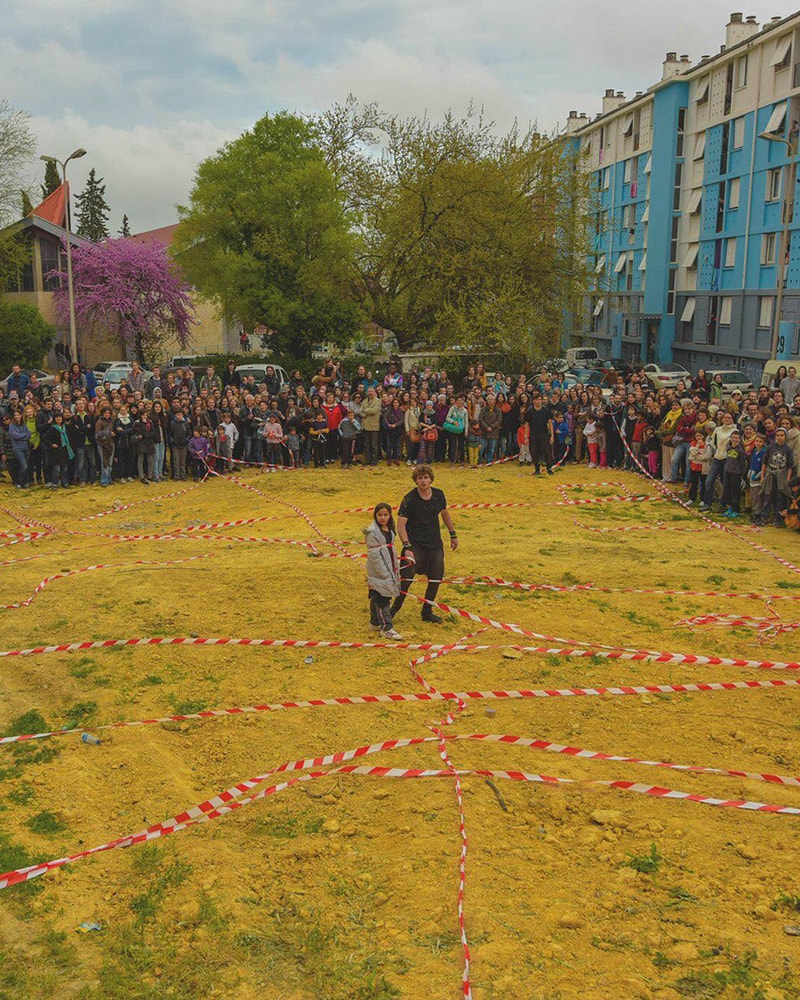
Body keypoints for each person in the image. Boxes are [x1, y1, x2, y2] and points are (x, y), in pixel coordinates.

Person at [391, 465, 459, 625]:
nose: (423, 481)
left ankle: (427, 611)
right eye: (420, 478)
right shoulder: (409, 499)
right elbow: (401, 525)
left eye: (426, 477)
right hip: (415, 545)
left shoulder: (439, 495)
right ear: (416, 480)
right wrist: (407, 546)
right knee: (406, 580)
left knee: (436, 578)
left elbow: (444, 513)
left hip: (435, 544)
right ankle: (393, 610)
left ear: (430, 479)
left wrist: (453, 533)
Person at [364, 502, 403, 640]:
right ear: (375, 515)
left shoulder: (389, 530)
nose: (382, 518)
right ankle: (386, 627)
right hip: (380, 570)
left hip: (389, 567)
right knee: (382, 598)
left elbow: (390, 550)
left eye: (385, 515)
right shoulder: (373, 533)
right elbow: (374, 556)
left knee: (376, 594)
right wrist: (385, 573)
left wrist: (395, 565)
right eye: (380, 515)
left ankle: (375, 622)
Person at [721, 428, 746, 518]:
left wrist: (742, 475)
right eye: (733, 437)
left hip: (736, 473)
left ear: (739, 439)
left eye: (736, 438)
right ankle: (730, 507)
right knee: (727, 491)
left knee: (735, 492)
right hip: (727, 471)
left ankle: (736, 510)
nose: (734, 439)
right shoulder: (729, 448)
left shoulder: (740, 451)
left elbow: (743, 463)